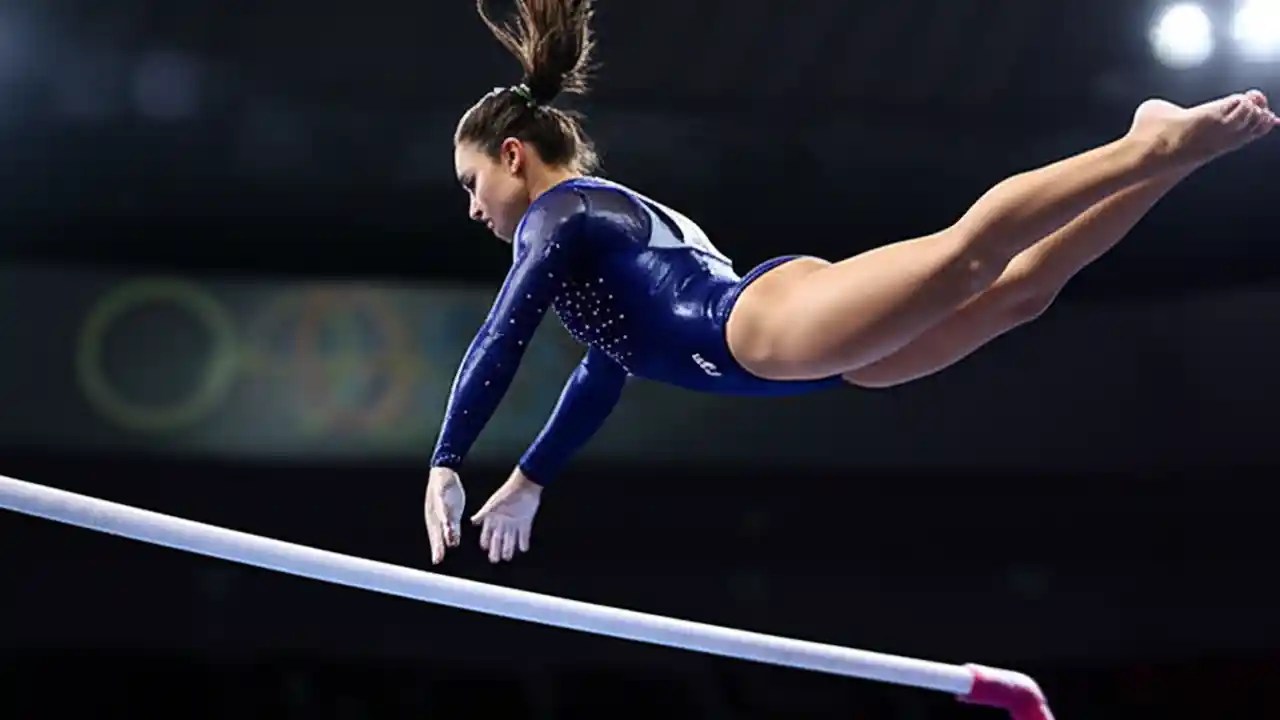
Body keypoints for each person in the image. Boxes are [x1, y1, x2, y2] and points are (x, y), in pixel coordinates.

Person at [424, 0, 1278, 565]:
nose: (473, 210)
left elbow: (502, 332)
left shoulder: (560, 215)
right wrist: (531, 479)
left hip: (758, 327)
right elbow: (606, 364)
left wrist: (448, 458)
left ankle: (1142, 147)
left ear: (511, 156)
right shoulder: (585, 234)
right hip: (800, 359)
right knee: (1021, 296)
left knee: (969, 258)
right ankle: (1170, 158)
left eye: (470, 185)